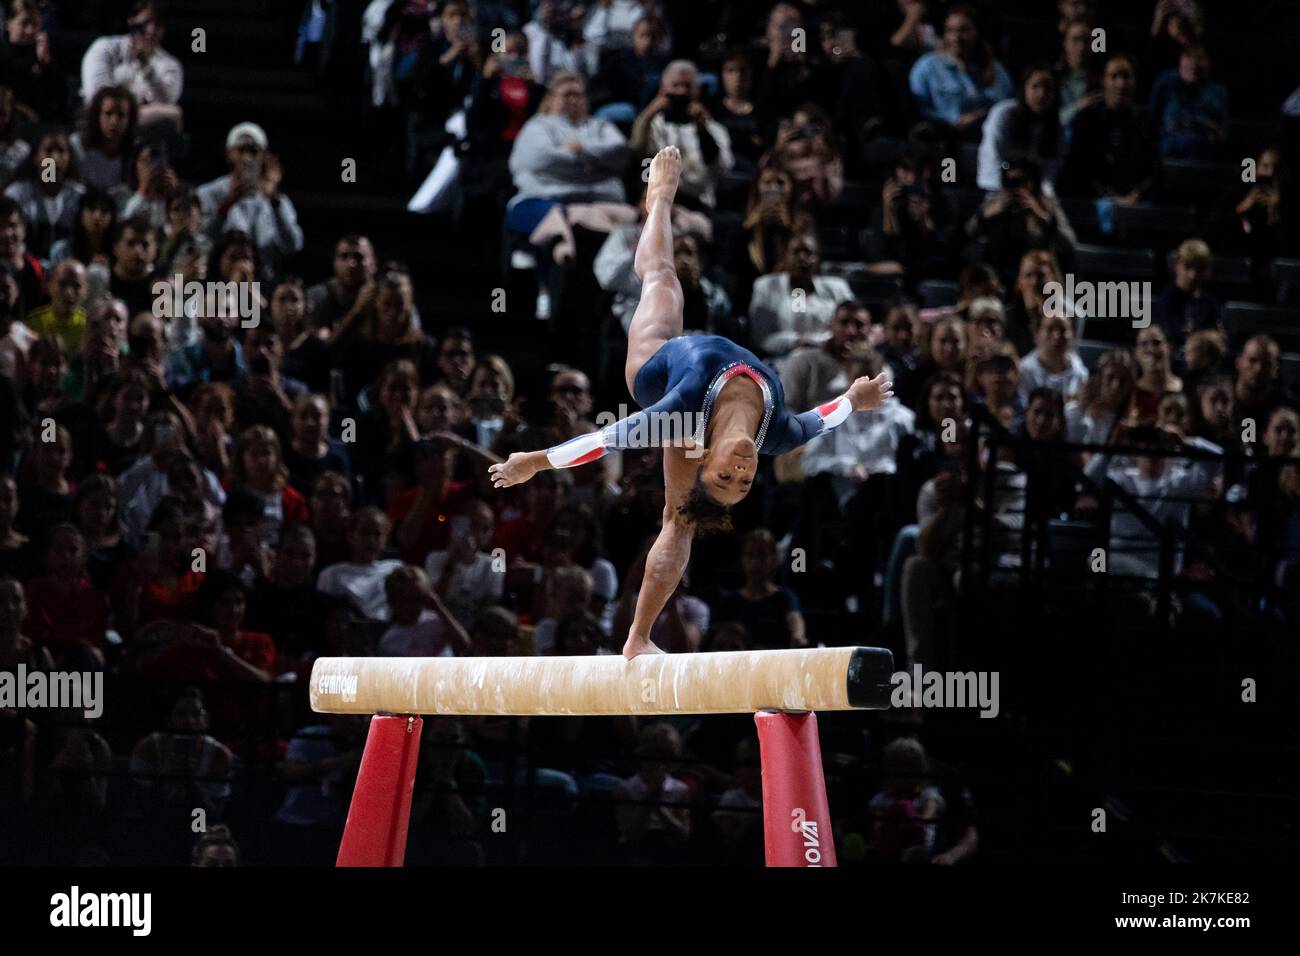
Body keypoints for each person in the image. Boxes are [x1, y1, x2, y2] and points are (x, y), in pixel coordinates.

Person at [488, 148, 893, 657]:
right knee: (680, 520)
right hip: (706, 370)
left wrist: (537, 461)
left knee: (662, 280)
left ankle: (658, 195)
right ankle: (639, 639)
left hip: (656, 367)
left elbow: (605, 441)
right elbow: (820, 420)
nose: (742, 472)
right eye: (744, 482)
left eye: (726, 477)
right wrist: (855, 398)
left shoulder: (677, 413)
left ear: (705, 462)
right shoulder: (777, 433)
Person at [195, 123, 303, 280]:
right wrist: (227, 205)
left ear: (263, 156)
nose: (246, 157)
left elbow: (293, 244)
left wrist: (273, 200)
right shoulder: (207, 194)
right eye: (241, 150)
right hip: (216, 280)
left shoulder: (278, 201)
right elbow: (202, 240)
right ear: (229, 154)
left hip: (263, 282)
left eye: (253, 151)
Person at [629, 59, 733, 211]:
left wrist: (702, 129)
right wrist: (648, 114)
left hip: (696, 205)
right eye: (676, 86)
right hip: (654, 202)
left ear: (697, 90)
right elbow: (637, 151)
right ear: (663, 89)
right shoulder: (652, 125)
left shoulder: (713, 128)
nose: (682, 92)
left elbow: (722, 167)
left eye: (687, 86)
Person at [1059, 53, 1156, 202]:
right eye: (1114, 76)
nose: (1121, 84)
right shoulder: (1087, 118)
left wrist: (1136, 195)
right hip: (1093, 200)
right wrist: (1110, 197)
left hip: (1135, 201)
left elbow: (1153, 169)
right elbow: (1080, 167)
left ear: (1135, 81)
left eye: (1126, 76)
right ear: (1103, 80)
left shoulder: (1146, 120)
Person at [907, 5, 1012, 141]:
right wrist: (953, 120)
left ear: (977, 32)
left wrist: (979, 115)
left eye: (964, 30)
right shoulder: (927, 66)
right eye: (950, 31)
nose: (956, 37)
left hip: (985, 137)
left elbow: (1006, 105)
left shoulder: (996, 69)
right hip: (942, 138)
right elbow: (918, 109)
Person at [80, 1, 184, 133]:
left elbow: (166, 100)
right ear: (131, 21)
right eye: (146, 22)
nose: (151, 30)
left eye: (158, 24)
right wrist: (147, 108)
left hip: (145, 135)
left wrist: (146, 67)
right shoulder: (104, 48)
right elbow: (98, 100)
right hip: (99, 131)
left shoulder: (171, 65)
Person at [748, 230, 854, 359]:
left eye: (808, 253)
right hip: (782, 359)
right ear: (786, 256)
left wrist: (822, 343)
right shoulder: (766, 286)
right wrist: (795, 342)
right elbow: (762, 338)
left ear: (818, 258)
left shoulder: (837, 287)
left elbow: (851, 325)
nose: (802, 258)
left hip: (830, 358)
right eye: (796, 253)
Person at [977, 65, 1063, 195]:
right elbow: (991, 156)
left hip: (1032, 191)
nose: (1041, 94)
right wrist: (1000, 192)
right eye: (1035, 87)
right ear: (1024, 88)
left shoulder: (1056, 125)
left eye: (1048, 88)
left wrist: (1046, 197)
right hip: (997, 189)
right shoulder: (1002, 114)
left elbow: (1050, 169)